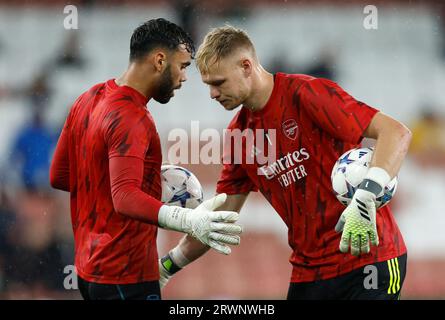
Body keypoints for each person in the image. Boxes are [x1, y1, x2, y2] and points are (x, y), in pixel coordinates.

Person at [159, 25, 412, 300]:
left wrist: (364, 197)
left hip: (368, 258)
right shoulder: (238, 137)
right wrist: (168, 266)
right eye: (208, 85)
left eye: (219, 83)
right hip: (310, 273)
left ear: (246, 66)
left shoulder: (306, 94)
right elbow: (217, 219)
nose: (213, 94)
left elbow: (396, 133)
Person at [49, 19, 242, 300]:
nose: (185, 77)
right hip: (126, 275)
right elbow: (125, 197)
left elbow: (60, 176)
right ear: (160, 60)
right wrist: (187, 219)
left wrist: (131, 173)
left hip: (88, 272)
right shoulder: (133, 117)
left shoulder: (88, 99)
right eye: (183, 65)